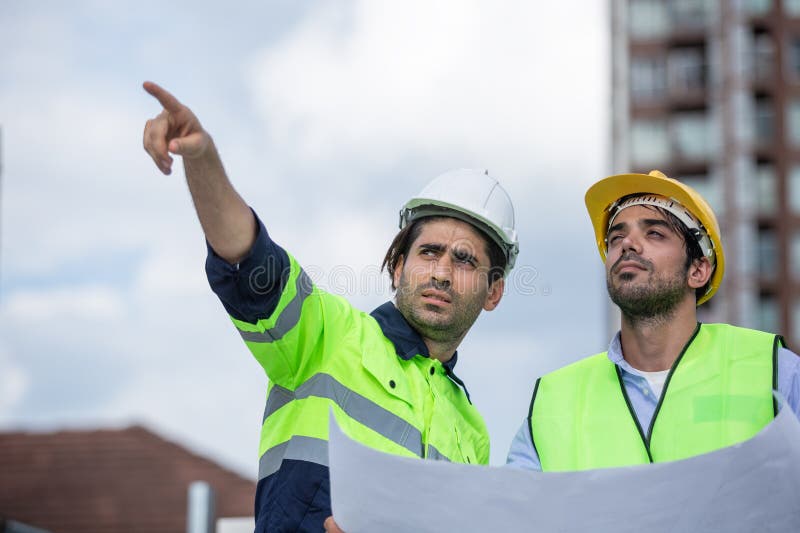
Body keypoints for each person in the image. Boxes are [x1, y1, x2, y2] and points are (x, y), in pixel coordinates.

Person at [141, 81, 519, 532]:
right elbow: (249, 261)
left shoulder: (472, 431)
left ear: (493, 291)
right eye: (429, 252)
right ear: (397, 267)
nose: (440, 272)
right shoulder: (328, 335)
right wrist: (202, 160)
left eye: (464, 260)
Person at [507, 169, 800, 472]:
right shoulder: (554, 401)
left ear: (698, 270)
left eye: (655, 233)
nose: (628, 244)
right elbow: (518, 513)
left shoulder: (775, 371)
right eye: (616, 236)